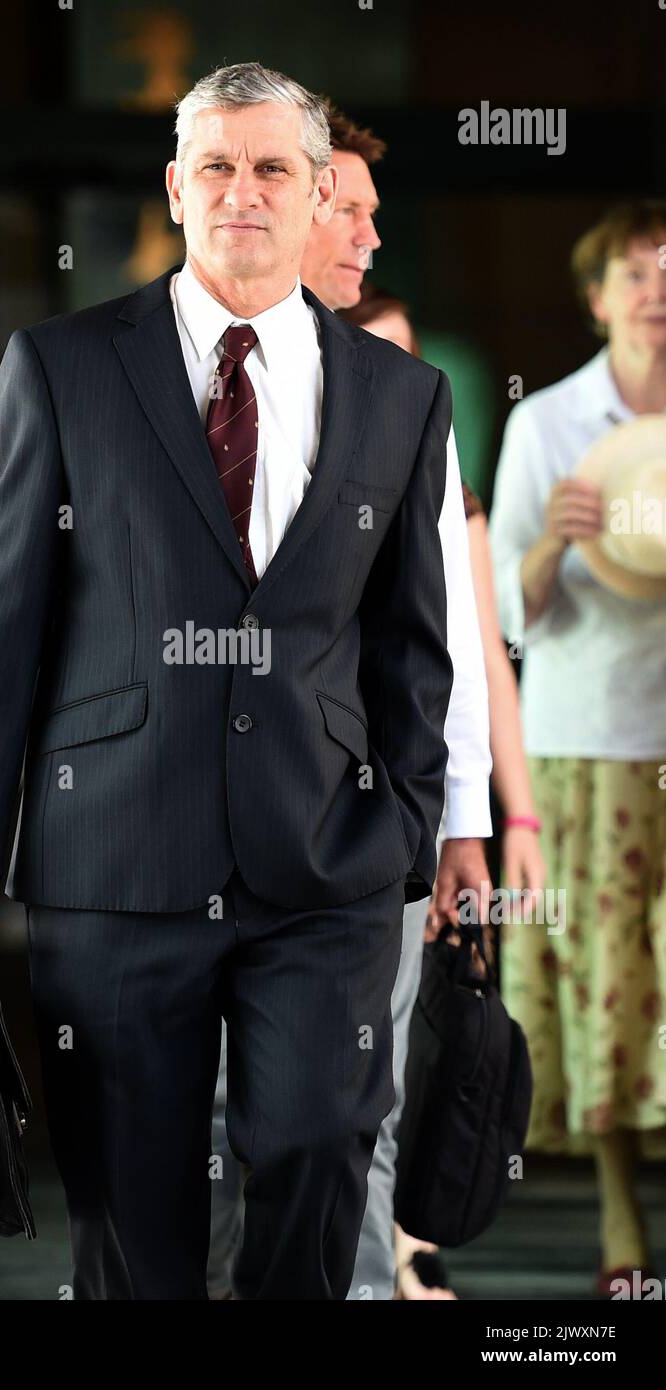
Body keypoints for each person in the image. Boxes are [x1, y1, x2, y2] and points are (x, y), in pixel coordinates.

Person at [0, 61, 457, 1301]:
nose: (242, 191)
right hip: (116, 853)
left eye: (273, 168)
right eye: (215, 165)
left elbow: (412, 644)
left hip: (327, 860)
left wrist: (410, 832)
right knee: (129, 1202)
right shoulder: (58, 366)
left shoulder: (402, 396)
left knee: (320, 1152)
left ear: (321, 193)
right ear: (175, 185)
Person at [207, 106, 493, 1303]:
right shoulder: (177, 367)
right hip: (187, 831)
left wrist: (455, 818)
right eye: (356, 210)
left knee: (346, 1118)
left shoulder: (398, 395)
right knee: (221, 1127)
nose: (373, 236)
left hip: (356, 829)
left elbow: (444, 638)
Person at [343, 283, 546, 1297]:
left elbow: (480, 668)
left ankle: (405, 1251)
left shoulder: (451, 497)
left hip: (423, 813)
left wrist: (505, 815)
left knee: (410, 1048)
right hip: (342, 810)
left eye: (409, 361)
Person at [488, 201, 666, 1295]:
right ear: (596, 298)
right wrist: (559, 535)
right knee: (606, 977)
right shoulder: (548, 422)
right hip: (587, 733)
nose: (656, 289)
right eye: (634, 273)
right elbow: (507, 611)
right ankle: (618, 1223)